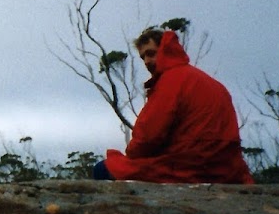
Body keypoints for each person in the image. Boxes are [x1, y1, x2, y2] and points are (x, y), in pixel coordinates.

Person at [92, 28, 253, 184]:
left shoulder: (171, 80)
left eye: (151, 53)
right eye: (143, 57)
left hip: (193, 168)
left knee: (103, 169)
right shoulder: (210, 82)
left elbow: (147, 138)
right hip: (228, 171)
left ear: (165, 49)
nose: (146, 61)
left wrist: (130, 156)